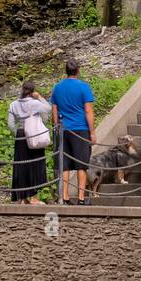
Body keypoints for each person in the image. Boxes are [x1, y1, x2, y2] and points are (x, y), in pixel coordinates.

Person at [49, 58, 96, 204]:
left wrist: (56, 125)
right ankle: (81, 198)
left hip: (63, 129)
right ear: (78, 70)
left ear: (66, 71)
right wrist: (92, 131)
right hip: (80, 129)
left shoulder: (57, 87)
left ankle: (65, 196)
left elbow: (54, 109)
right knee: (81, 164)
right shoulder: (84, 87)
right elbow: (88, 110)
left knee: (65, 164)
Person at [6, 81, 51, 204]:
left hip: (20, 135)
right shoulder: (35, 103)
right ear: (32, 91)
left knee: (21, 165)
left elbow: (10, 124)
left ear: (22, 89)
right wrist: (39, 97)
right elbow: (48, 109)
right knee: (35, 164)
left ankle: (22, 197)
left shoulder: (14, 104)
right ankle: (34, 198)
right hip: (34, 135)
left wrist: (18, 133)